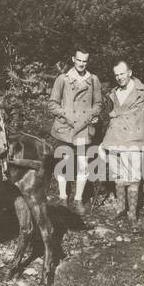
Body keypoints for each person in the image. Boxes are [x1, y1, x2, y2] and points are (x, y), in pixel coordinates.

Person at [99, 59, 144, 225]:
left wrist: (142, 137)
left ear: (130, 73)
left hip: (134, 141)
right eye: (116, 75)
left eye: (122, 74)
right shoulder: (113, 93)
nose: (119, 77)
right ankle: (120, 209)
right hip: (114, 140)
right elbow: (110, 118)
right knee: (118, 176)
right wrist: (105, 142)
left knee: (133, 178)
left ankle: (132, 214)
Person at [48, 47, 102, 212]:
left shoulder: (93, 80)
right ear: (73, 59)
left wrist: (92, 115)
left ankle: (78, 200)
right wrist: (65, 115)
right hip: (65, 129)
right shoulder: (62, 79)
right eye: (78, 60)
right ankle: (63, 197)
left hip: (83, 129)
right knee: (63, 164)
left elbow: (98, 104)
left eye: (84, 61)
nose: (81, 64)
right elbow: (52, 104)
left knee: (83, 165)